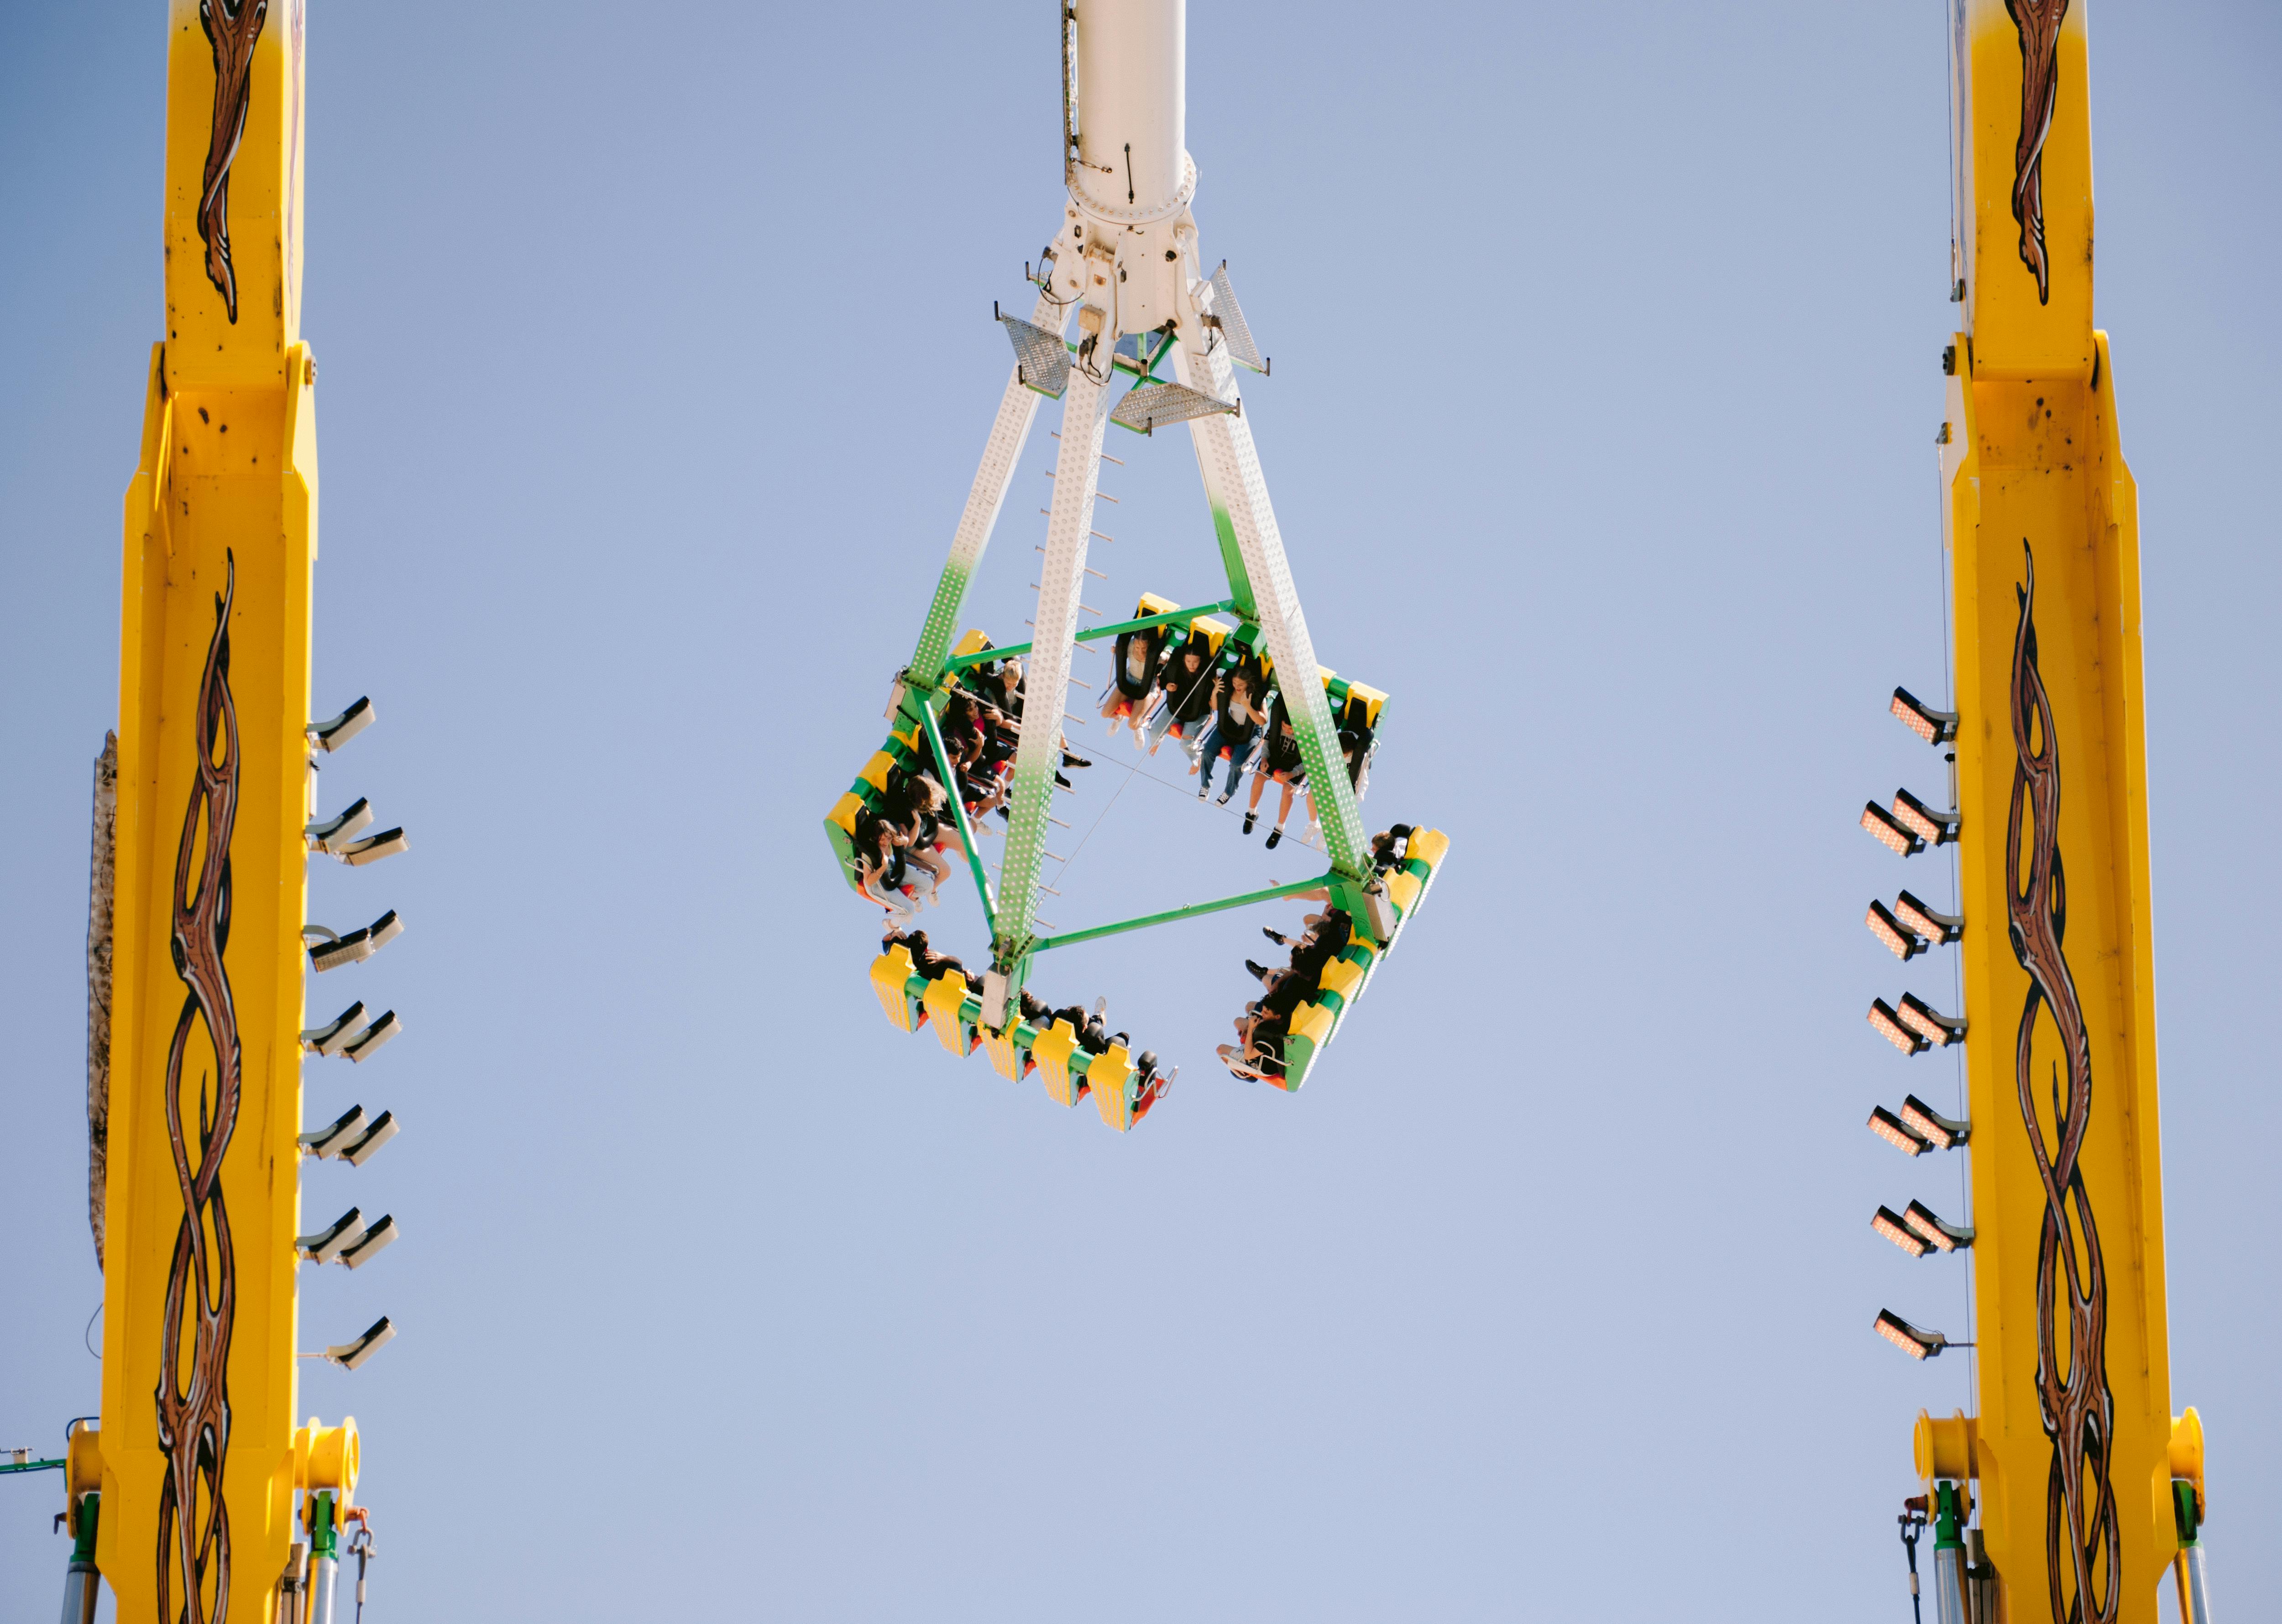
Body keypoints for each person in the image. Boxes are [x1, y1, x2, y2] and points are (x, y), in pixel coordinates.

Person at [1243, 694, 1316, 847]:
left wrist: (1292, 774)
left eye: (1291, 729)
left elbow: (1308, 763)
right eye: (1284, 727)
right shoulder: (1277, 728)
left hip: (1295, 765)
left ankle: (1279, 829)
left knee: (1288, 791)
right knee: (1259, 777)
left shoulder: (1306, 738)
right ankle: (1251, 813)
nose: (1287, 731)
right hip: (1276, 757)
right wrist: (1264, 759)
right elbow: (1267, 743)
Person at [1191, 664, 1264, 806]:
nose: (1237, 686)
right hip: (1229, 726)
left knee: (1237, 764)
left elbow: (1262, 720)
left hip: (1249, 732)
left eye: (1241, 684)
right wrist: (1215, 693)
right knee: (1207, 752)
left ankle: (1229, 792)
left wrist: (1248, 706)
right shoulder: (1230, 690)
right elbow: (1215, 707)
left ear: (1248, 684)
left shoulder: (1256, 695)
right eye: (1235, 683)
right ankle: (1205, 785)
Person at [1138, 634, 1215, 757]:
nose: (1192, 665)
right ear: (1184, 660)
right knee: (1154, 732)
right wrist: (1167, 686)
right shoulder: (1177, 669)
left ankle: (1196, 760)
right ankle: (1157, 743)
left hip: (1197, 713)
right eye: (1188, 661)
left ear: (1201, 661)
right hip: (1176, 707)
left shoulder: (1207, 676)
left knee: (1186, 745)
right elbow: (1162, 681)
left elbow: (1213, 704)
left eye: (1195, 662)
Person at [1099, 623, 1165, 742]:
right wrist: (1116, 650)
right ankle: (1119, 718)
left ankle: (1137, 728)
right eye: (1137, 648)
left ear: (1149, 645)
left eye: (1144, 649)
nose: (1140, 652)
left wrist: (1165, 659)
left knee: (1132, 724)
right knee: (1105, 713)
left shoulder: (1156, 654)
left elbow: (1167, 658)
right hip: (1129, 680)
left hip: (1147, 686)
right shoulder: (1130, 646)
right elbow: (1121, 653)